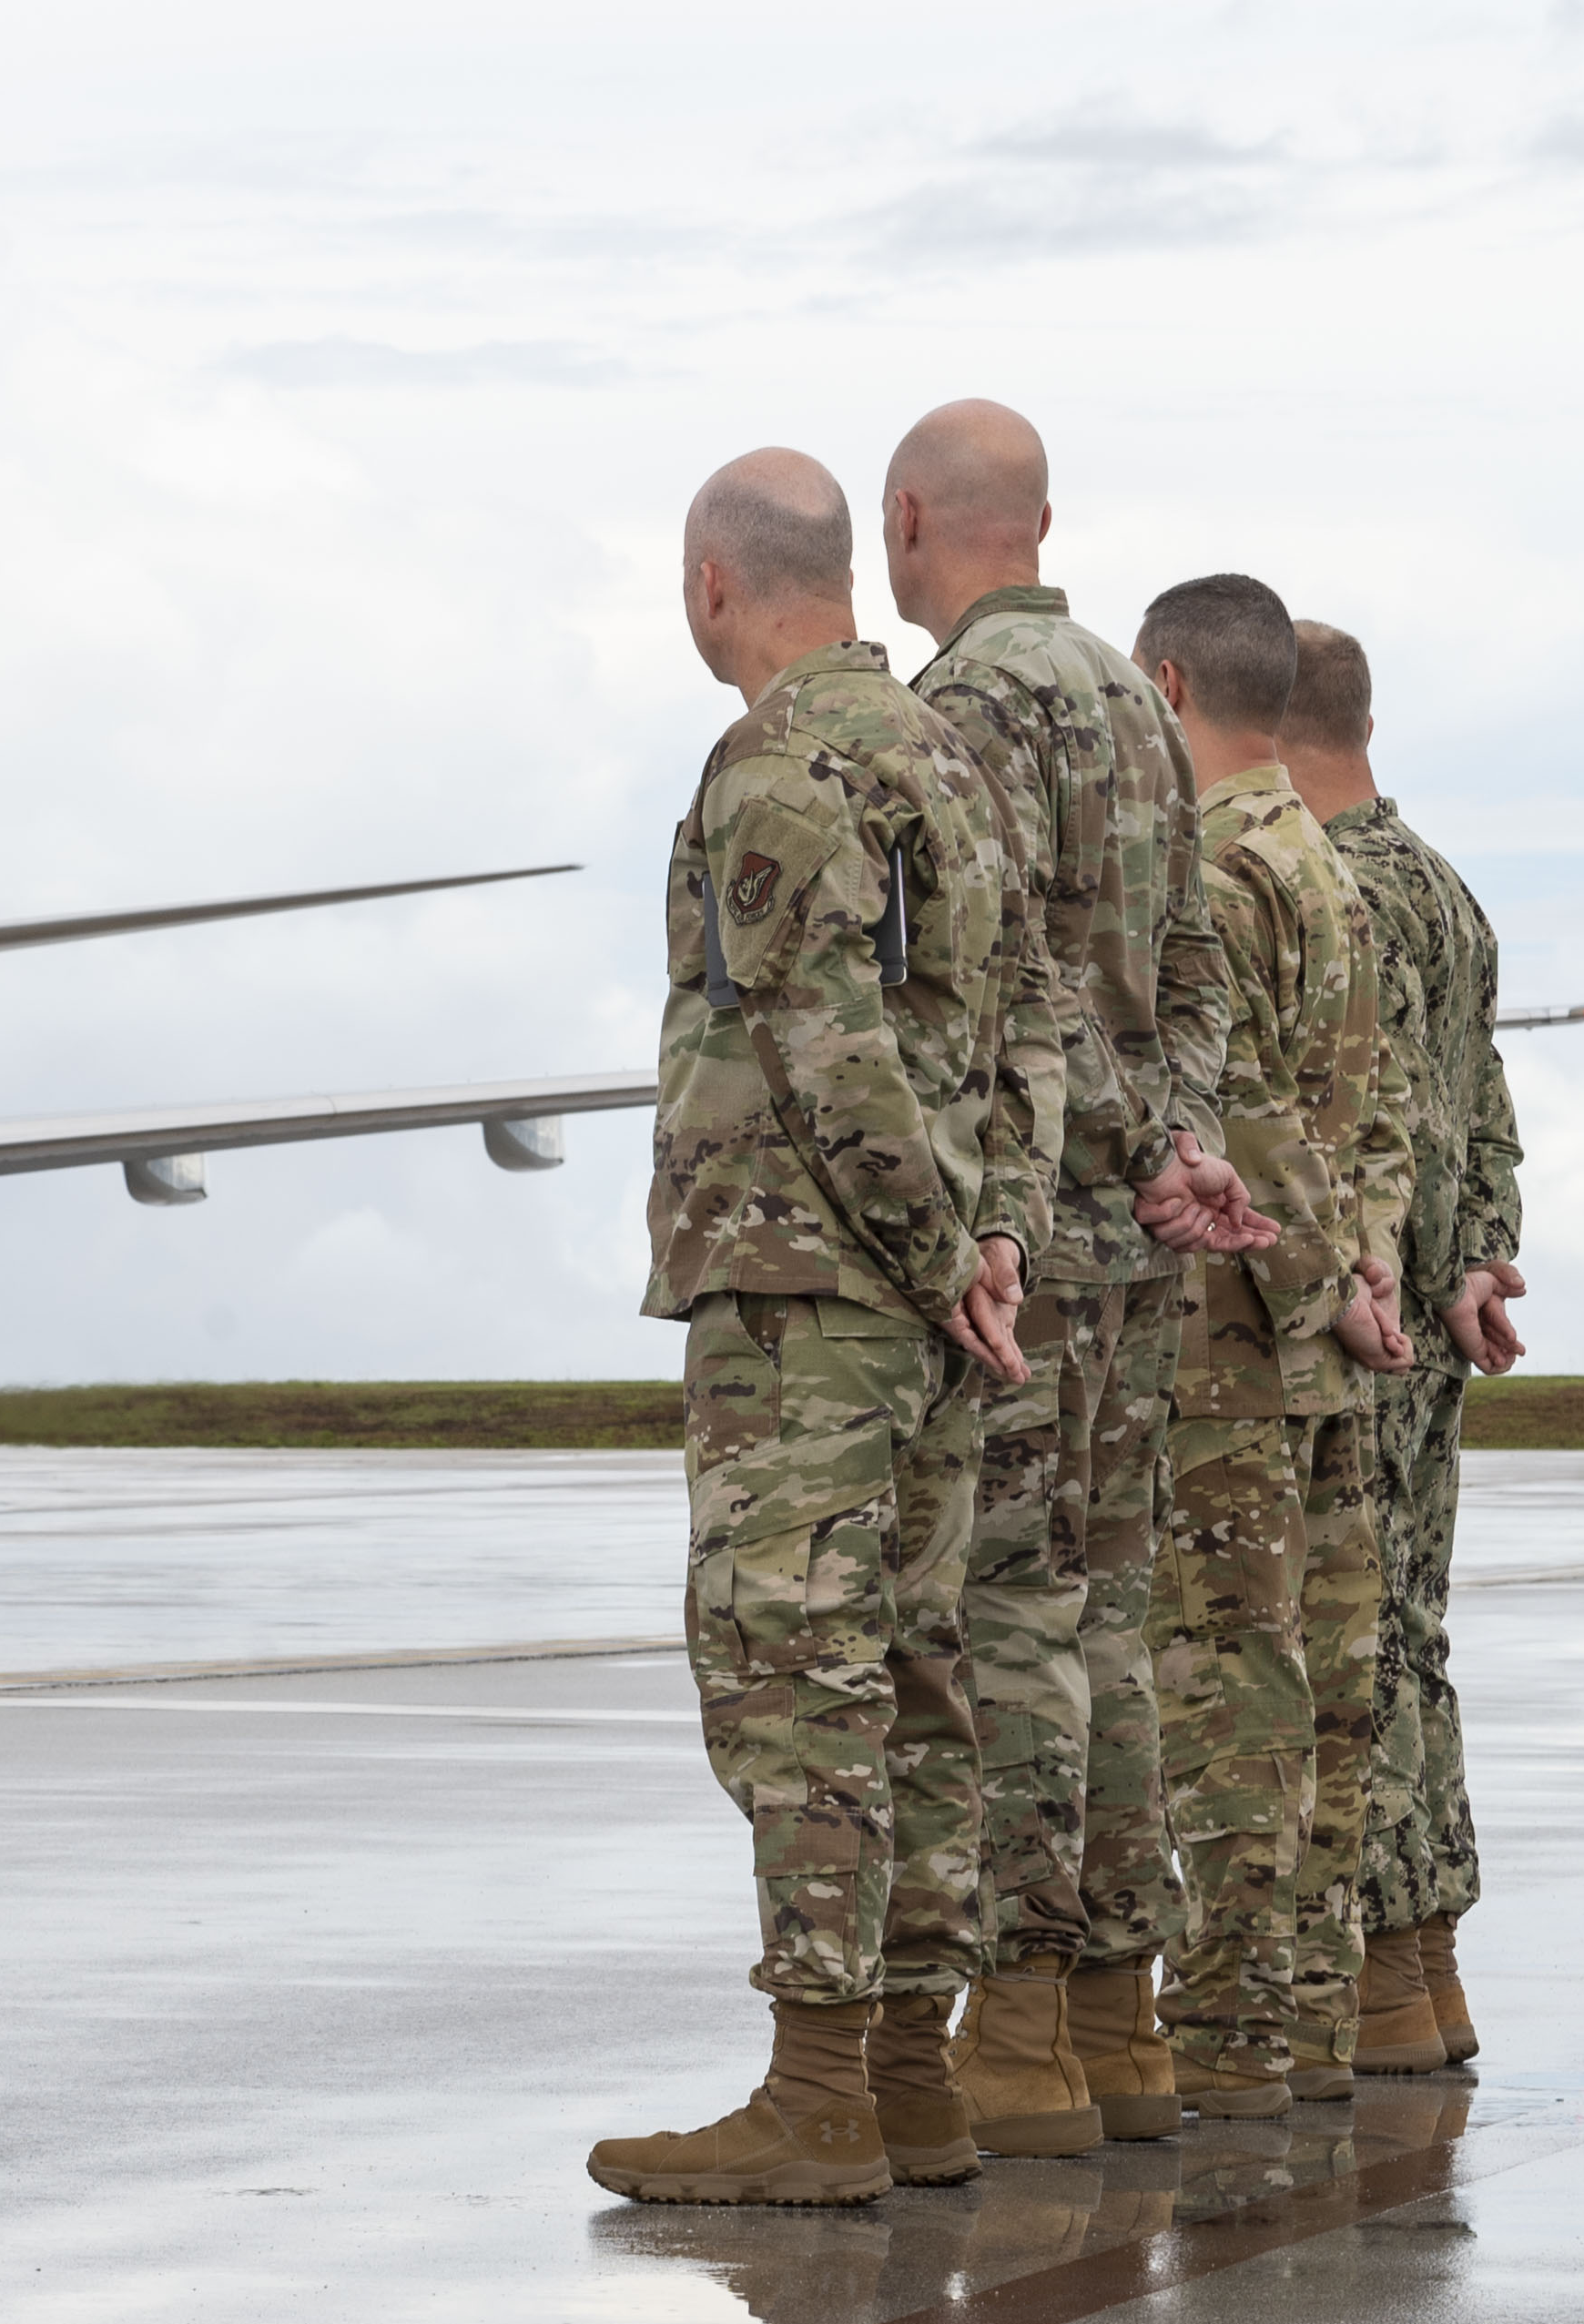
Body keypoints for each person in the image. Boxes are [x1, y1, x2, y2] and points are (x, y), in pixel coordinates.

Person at [590, 448, 1037, 2208]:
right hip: (920, 1301)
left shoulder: (775, 764)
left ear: (716, 582)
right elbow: (1009, 1032)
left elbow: (824, 1043)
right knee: (915, 1662)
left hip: (810, 1295)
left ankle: (819, 2093)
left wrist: (935, 1254)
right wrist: (990, 1241)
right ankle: (912, 2081)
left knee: (795, 1671)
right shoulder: (949, 752)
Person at [881, 401, 1270, 2156]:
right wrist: (1177, 1139)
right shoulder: (1134, 696)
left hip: (1030, 1234)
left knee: (1012, 1621)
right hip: (1138, 1240)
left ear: (909, 525)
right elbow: (1190, 969)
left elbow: (1009, 990)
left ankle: (1025, 2028)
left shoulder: (959, 709)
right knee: (1107, 1616)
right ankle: (1117, 2017)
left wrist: (1077, 1163)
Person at [1133, 574, 1412, 2118]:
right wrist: (1366, 1267)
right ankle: (1306, 2005)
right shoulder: (1319, 863)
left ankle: (1236, 2029)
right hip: (1320, 1342)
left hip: (1238, 1337)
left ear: (1168, 683)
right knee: (1318, 1680)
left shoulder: (1215, 873)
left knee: (1227, 1679)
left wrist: (1316, 1281)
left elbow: (1240, 1113)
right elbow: (1375, 1119)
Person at [1286, 621, 1523, 2073]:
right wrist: (1481, 1253)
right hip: (1430, 1323)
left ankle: (1377, 1976)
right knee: (1412, 1644)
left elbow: (1398, 1127)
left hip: (1366, 1329)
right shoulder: (1443, 883)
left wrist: (1406, 1265)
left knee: (1352, 1652)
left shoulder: (1343, 888)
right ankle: (1424, 1965)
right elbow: (1484, 1112)